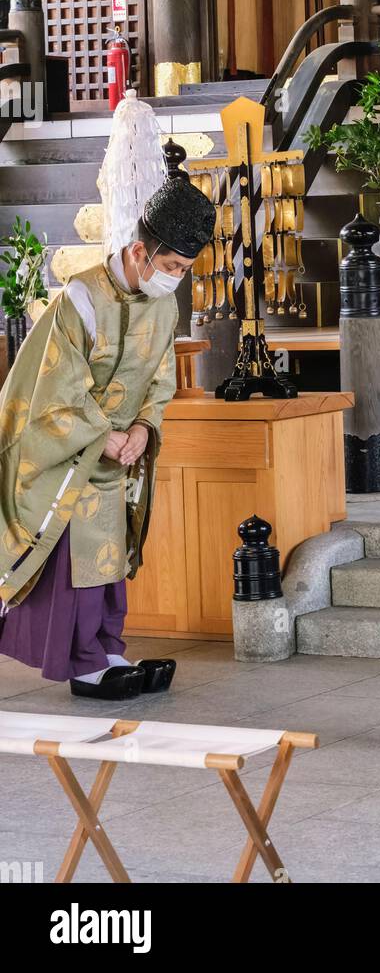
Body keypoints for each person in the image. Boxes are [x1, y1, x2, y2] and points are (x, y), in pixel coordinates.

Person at [0, 170, 216, 701]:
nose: (176, 279)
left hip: (121, 453)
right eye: (170, 267)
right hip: (73, 454)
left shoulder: (163, 302)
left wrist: (144, 426)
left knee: (112, 556)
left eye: (185, 270)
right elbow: (52, 387)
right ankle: (85, 663)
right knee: (76, 557)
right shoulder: (80, 299)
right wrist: (102, 436)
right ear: (141, 251)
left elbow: (162, 377)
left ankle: (109, 649)